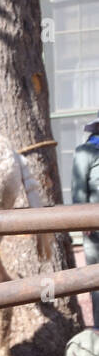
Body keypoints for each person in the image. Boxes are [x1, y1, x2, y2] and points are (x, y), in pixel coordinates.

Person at [72, 111, 99, 325]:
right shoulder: (86, 151)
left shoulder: (86, 151)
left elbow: (80, 188)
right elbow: (79, 189)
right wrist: (83, 219)